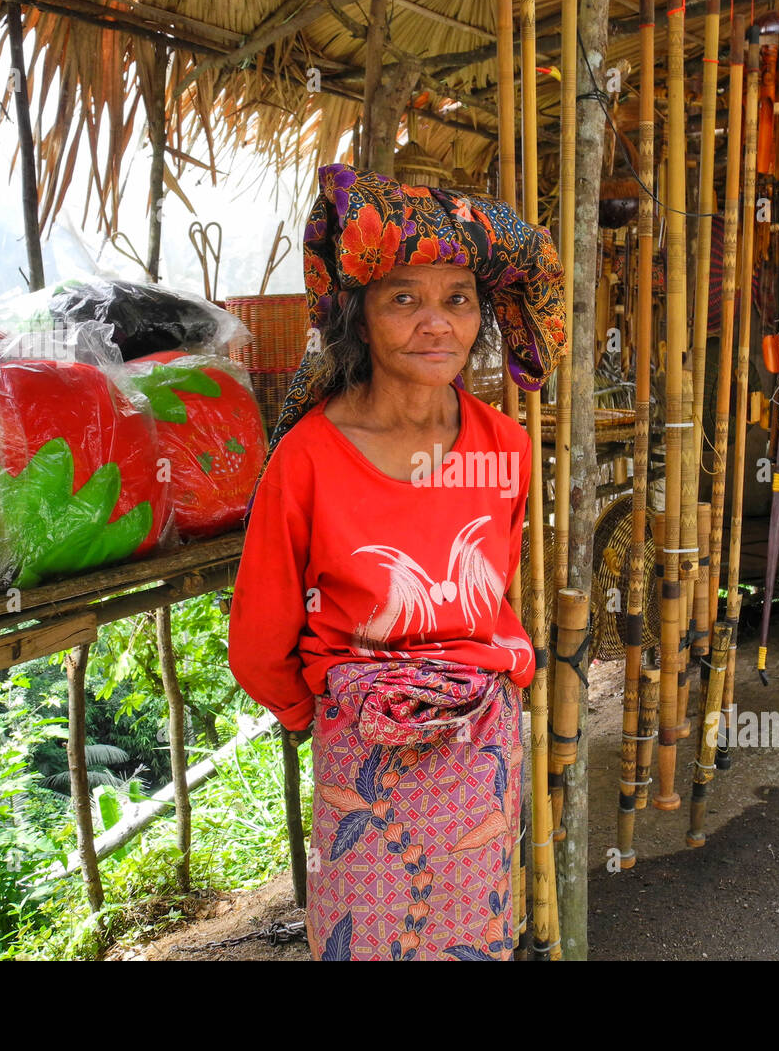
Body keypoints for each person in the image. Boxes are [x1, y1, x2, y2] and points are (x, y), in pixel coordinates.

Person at [228, 164, 564, 961]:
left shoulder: (505, 450)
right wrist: (345, 722)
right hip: (362, 769)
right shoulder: (306, 461)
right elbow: (257, 643)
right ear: (360, 316)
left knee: (474, 942)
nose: (437, 323)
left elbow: (491, 599)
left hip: (479, 758)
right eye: (404, 298)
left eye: (458, 298)